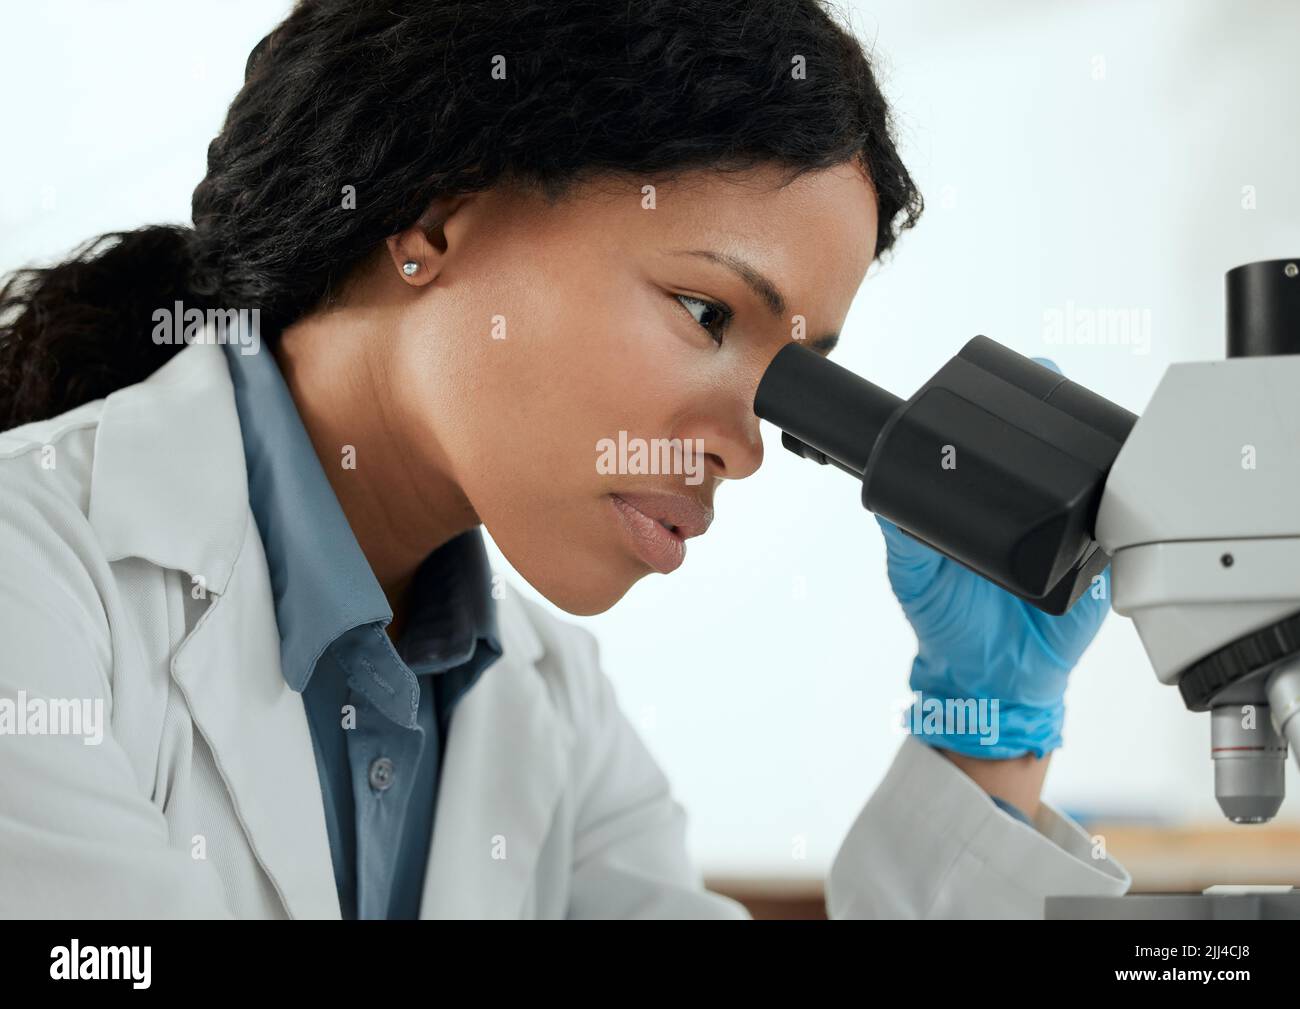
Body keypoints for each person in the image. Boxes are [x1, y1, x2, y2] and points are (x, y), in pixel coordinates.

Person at [0, 0, 1129, 918]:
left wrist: (982, 727)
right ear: (429, 218)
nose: (742, 450)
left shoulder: (547, 708)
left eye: (797, 380)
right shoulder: (36, 573)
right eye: (703, 309)